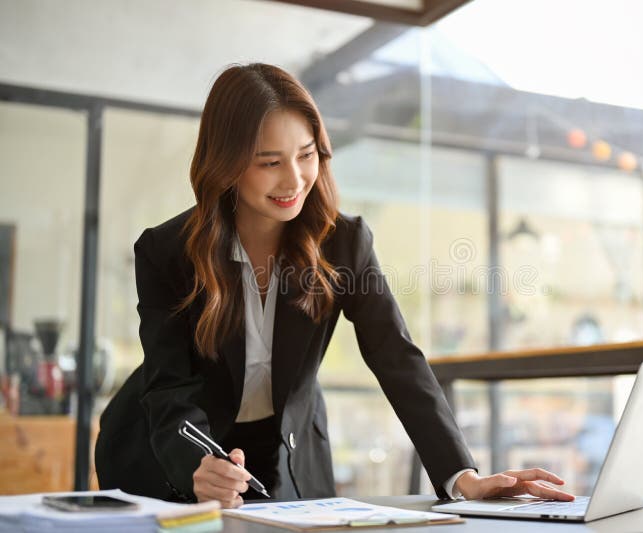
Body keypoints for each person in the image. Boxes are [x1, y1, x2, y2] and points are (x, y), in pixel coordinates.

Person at [95, 63, 575, 508]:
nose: (294, 179)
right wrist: (196, 466)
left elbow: (396, 356)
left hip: (290, 448)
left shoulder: (343, 242)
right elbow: (168, 387)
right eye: (268, 162)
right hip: (176, 453)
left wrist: (461, 475)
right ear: (226, 163)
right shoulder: (166, 252)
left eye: (305, 155)